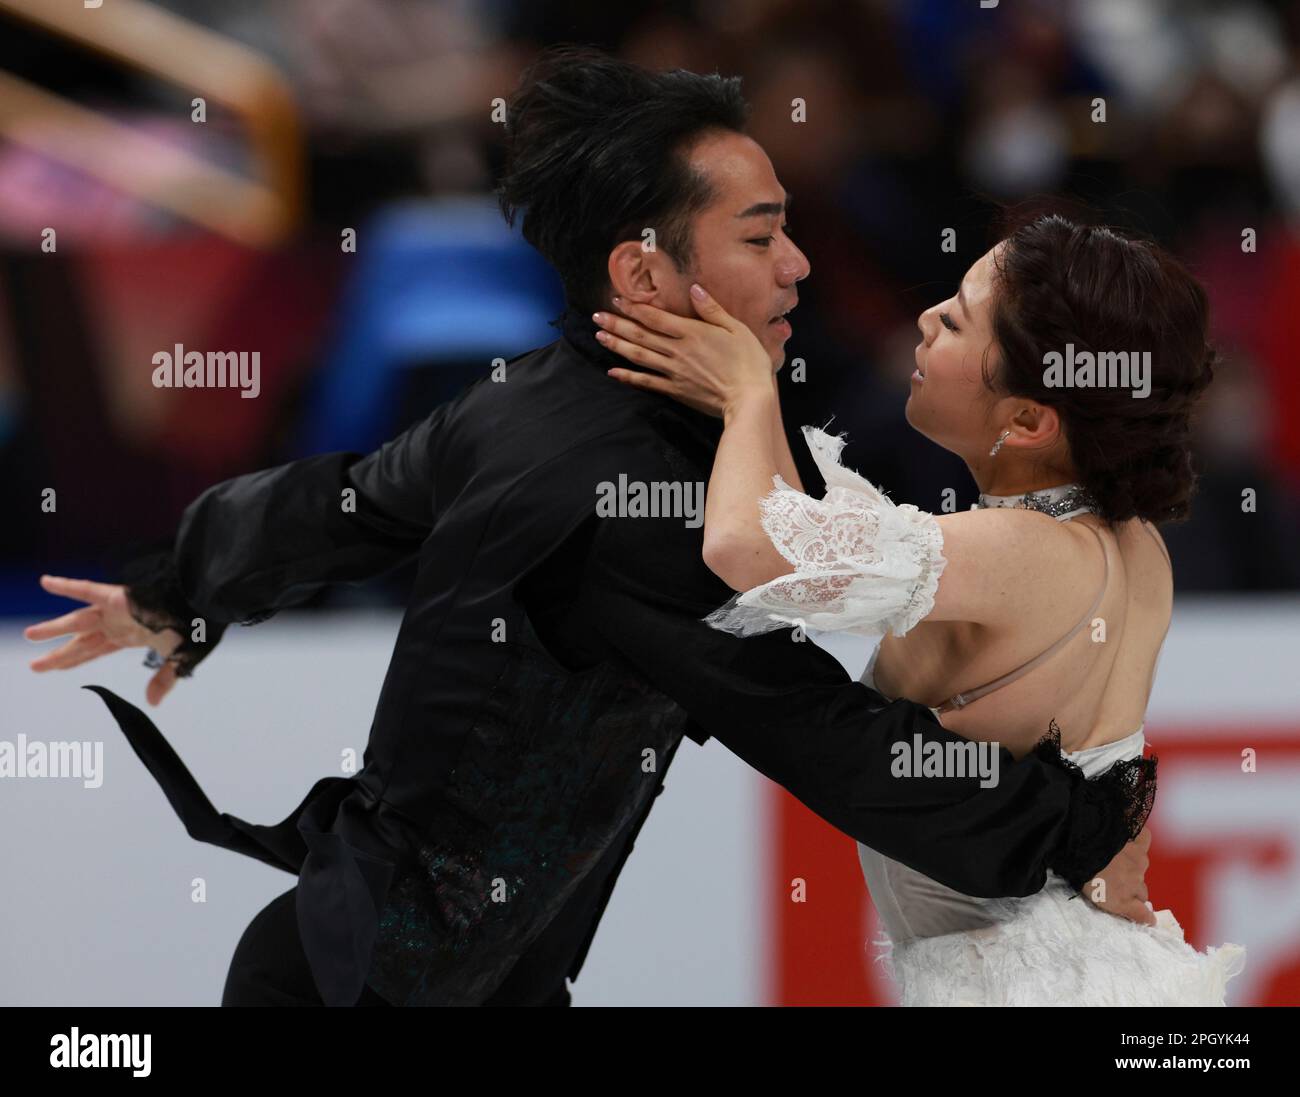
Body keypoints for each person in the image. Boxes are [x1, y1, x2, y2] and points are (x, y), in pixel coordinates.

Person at [25, 49, 1152, 1007]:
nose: (799, 264)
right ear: (641, 272)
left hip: (442, 971)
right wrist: (1068, 817)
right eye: (760, 238)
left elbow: (340, 502)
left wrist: (179, 584)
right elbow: (835, 743)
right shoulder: (634, 503)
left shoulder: (532, 394)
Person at [591, 212, 1247, 1005]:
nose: (927, 317)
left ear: (1031, 420)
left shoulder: (1024, 552)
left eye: (960, 319)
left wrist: (743, 391)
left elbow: (745, 546)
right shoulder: (1125, 540)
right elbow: (819, 531)